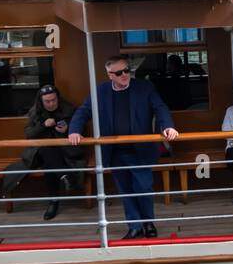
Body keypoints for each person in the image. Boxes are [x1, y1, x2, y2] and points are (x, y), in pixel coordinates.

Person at [69, 55, 178, 239]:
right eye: (119, 73)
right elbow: (83, 111)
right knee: (126, 189)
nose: (125, 75)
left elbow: (160, 107)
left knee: (143, 187)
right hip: (114, 151)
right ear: (110, 74)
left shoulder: (144, 87)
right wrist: (74, 130)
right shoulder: (100, 91)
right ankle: (134, 226)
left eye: (127, 70)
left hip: (140, 150)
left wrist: (167, 125)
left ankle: (148, 223)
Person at [6, 85, 86, 221]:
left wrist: (68, 130)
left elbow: (80, 131)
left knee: (49, 166)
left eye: (53, 100)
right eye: (47, 101)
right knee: (46, 150)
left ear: (58, 98)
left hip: (65, 151)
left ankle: (54, 202)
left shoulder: (69, 109)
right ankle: (66, 176)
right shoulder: (35, 112)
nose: (51, 103)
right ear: (41, 102)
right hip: (39, 153)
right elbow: (29, 134)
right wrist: (43, 126)